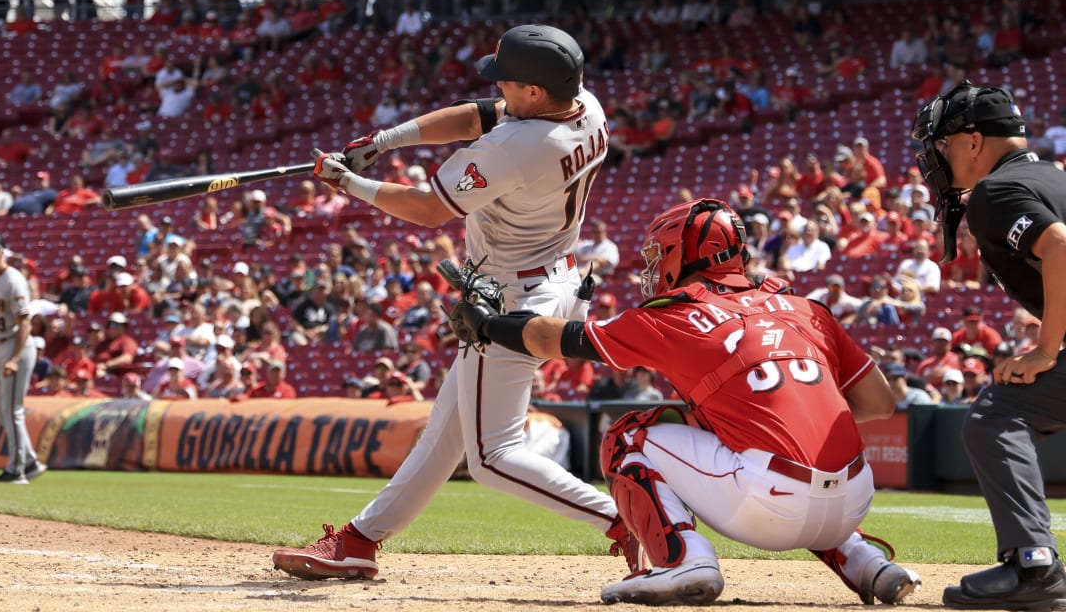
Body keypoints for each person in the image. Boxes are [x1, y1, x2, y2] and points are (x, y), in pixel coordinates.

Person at [275, 25, 639, 580]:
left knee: (493, 457)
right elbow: (477, 115)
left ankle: (630, 521)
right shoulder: (584, 104)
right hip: (552, 279)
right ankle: (360, 540)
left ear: (536, 93)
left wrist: (349, 183)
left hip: (515, 300)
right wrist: (385, 140)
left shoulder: (519, 147)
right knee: (447, 430)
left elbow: (427, 209)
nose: (500, 91)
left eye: (509, 82)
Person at [448, 197, 920, 605]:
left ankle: (685, 560)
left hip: (767, 505)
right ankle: (866, 562)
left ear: (684, 254)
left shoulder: (678, 314)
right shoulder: (804, 307)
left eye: (661, 254)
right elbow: (880, 403)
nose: (654, 267)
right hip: (855, 497)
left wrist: (489, 325)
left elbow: (562, 341)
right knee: (774, 443)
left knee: (627, 434)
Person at [910, 83, 1066, 609]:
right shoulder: (1053, 177)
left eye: (944, 144)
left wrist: (1047, 349)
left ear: (974, 141)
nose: (938, 156)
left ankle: (1033, 566)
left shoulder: (997, 192)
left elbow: (1060, 246)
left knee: (997, 415)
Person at [0, 233, 44, 484]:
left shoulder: (14, 280)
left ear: (2, 252)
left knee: (13, 411)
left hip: (18, 345)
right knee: (2, 412)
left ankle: (17, 470)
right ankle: (31, 461)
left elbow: (24, 323)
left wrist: (15, 358)